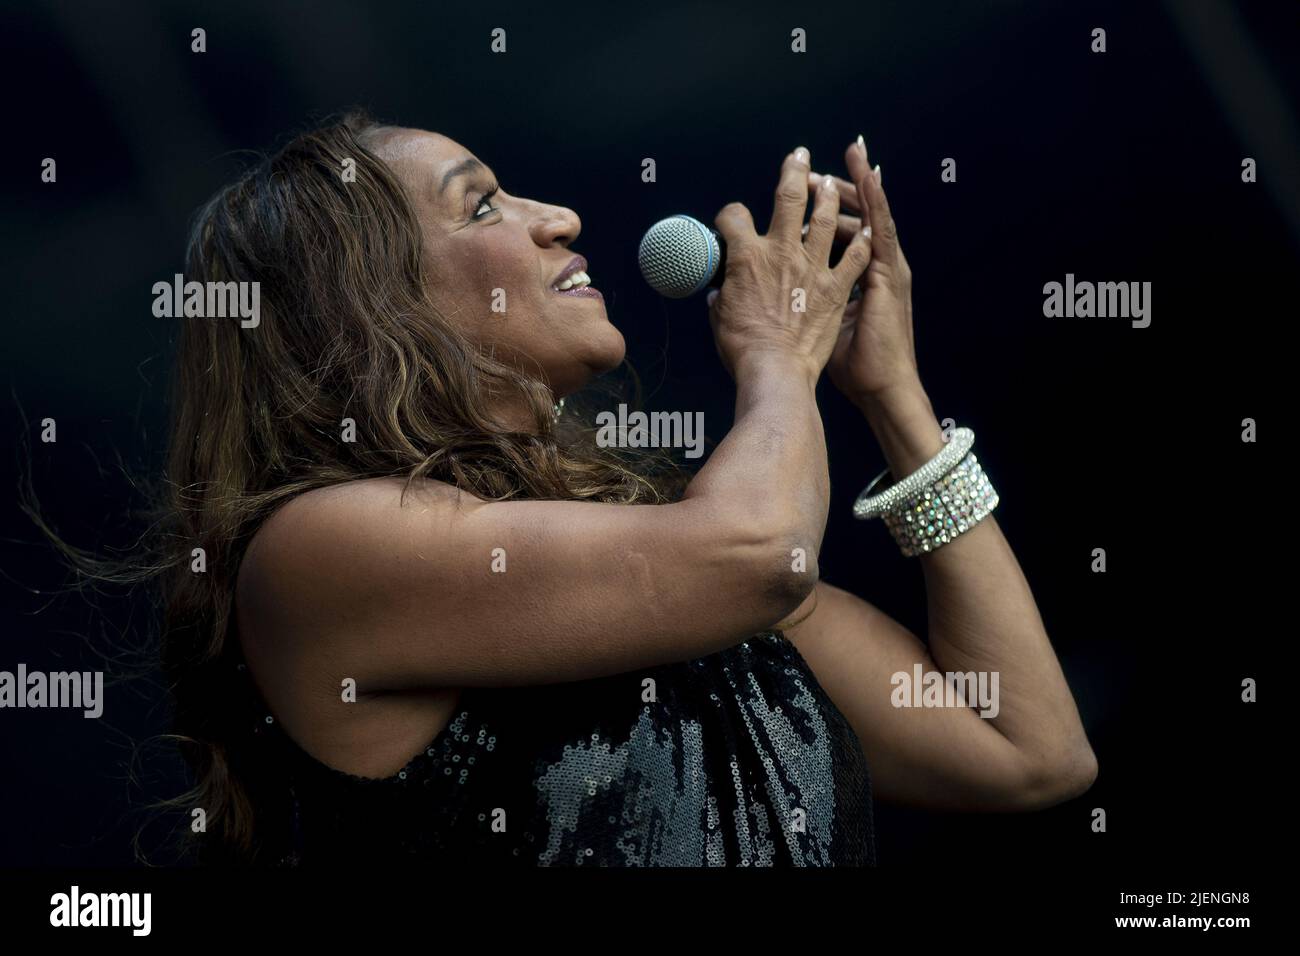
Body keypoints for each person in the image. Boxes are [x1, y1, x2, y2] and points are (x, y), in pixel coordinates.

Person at [145, 110, 1096, 865]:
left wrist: (895, 398)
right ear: (368, 308)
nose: (558, 218)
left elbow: (1027, 751)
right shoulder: (319, 552)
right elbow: (764, 552)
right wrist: (776, 356)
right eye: (480, 207)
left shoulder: (675, 564)